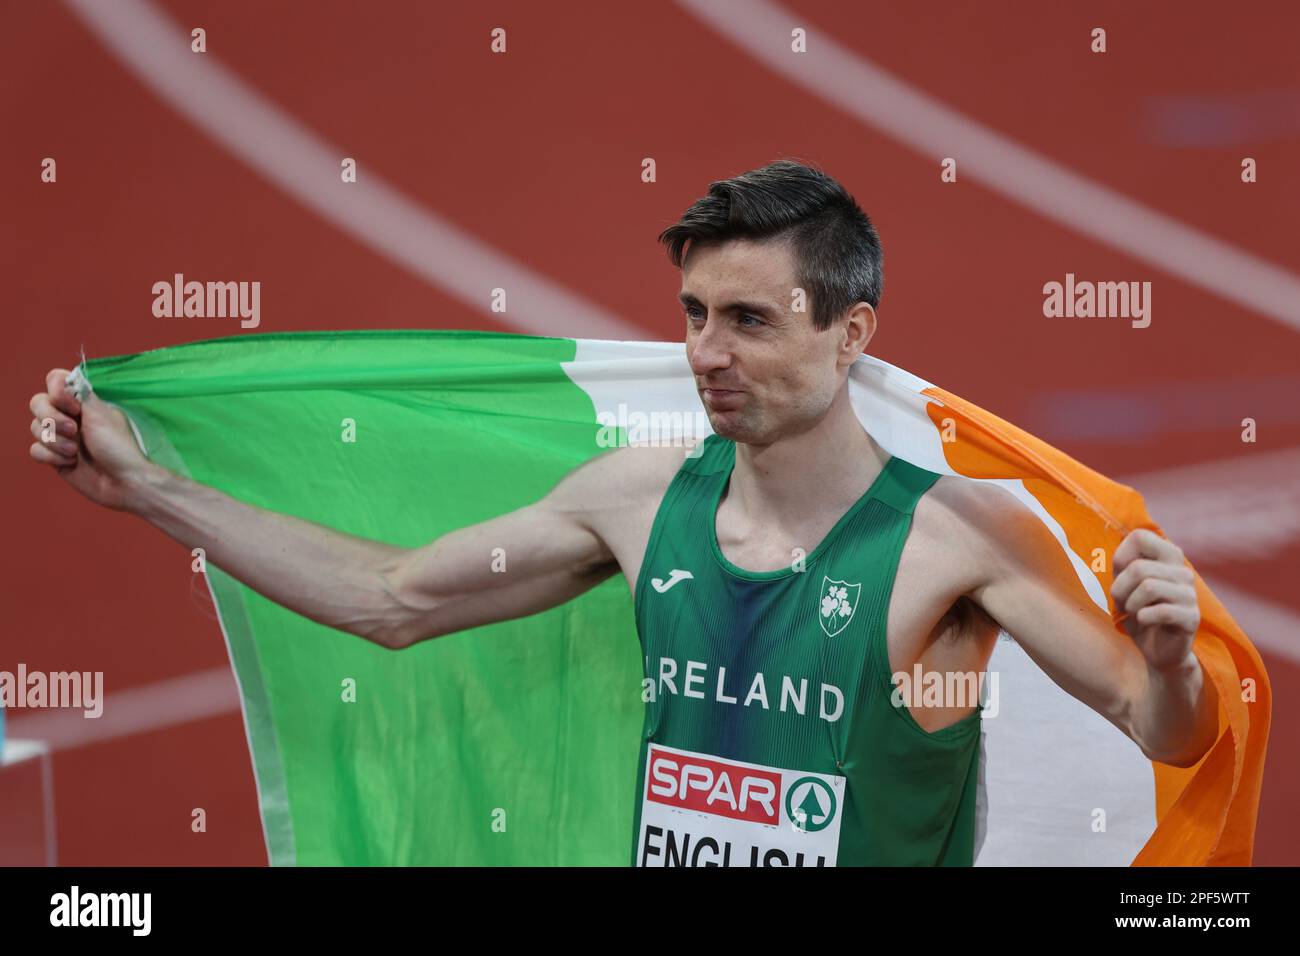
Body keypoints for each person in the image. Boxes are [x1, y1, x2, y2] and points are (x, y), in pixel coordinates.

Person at [28, 160, 1217, 866]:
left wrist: (1170, 658)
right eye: (694, 312)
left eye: (748, 319)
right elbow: (390, 600)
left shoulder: (958, 536)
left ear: (850, 333)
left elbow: (1161, 728)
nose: (706, 350)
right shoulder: (637, 500)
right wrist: (149, 490)